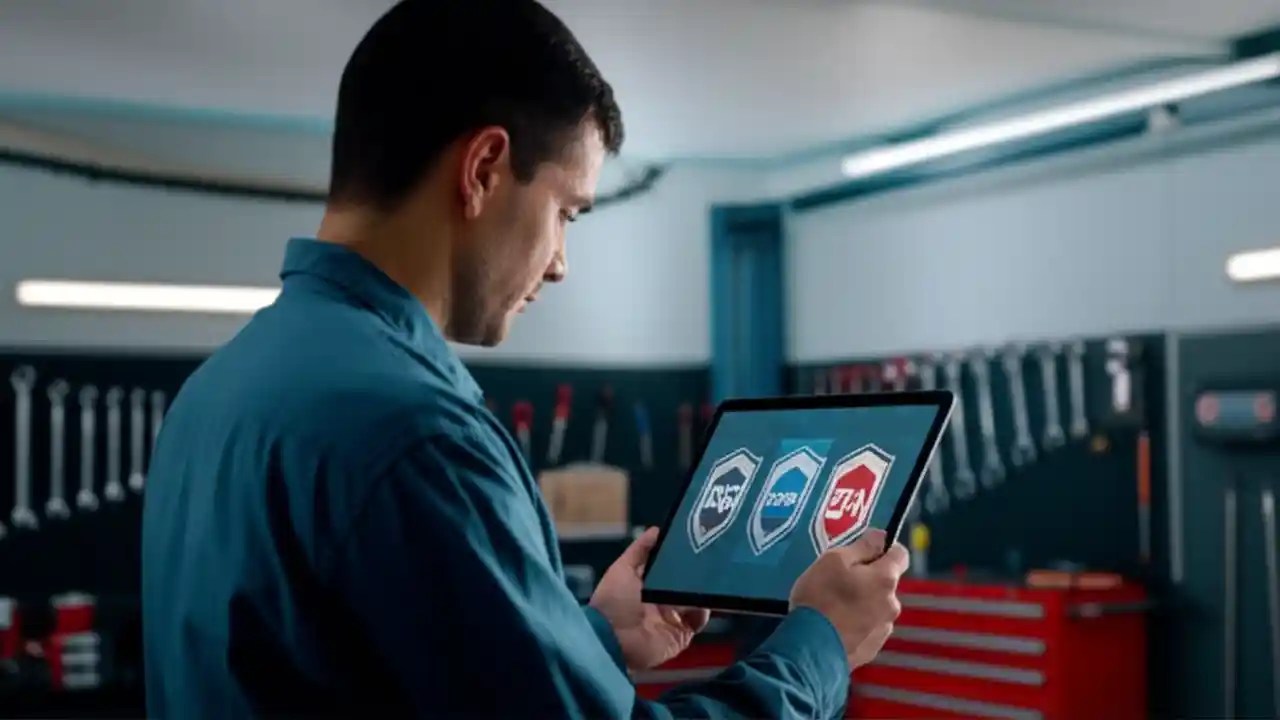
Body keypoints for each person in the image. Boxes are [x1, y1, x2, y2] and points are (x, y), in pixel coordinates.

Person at [140, 1, 909, 717]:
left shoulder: (218, 392)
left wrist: (590, 639)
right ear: (483, 170)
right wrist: (818, 649)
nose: (560, 263)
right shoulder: (416, 435)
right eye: (566, 212)